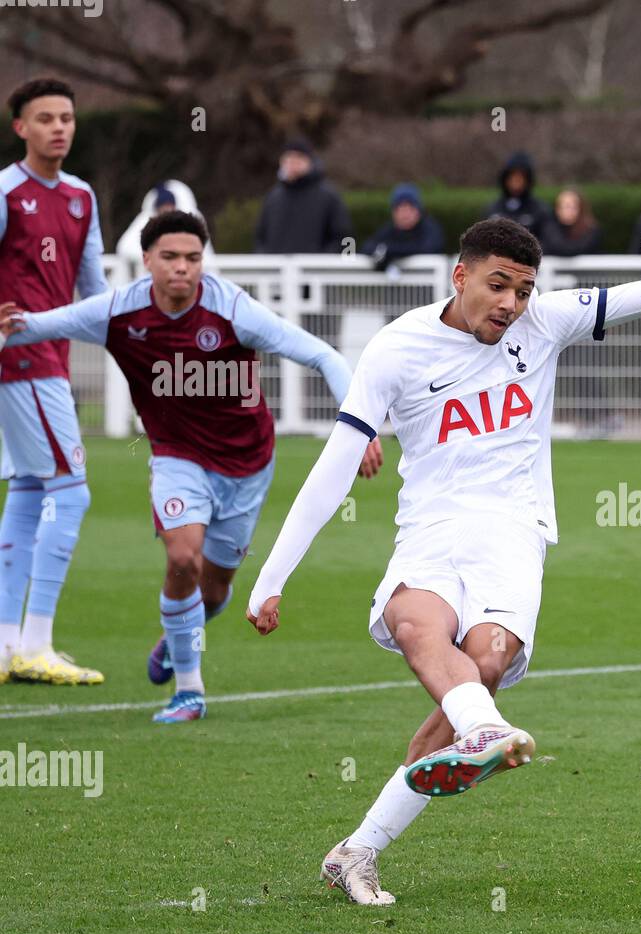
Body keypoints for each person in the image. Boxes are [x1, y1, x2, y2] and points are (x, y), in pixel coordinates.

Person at [245, 218, 641, 905]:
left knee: (484, 664)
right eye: (498, 285)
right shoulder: (396, 349)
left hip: (514, 530)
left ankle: (360, 849)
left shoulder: (545, 324)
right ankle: (483, 729)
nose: (511, 304)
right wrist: (272, 577)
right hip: (431, 530)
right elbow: (334, 466)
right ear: (459, 275)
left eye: (524, 290)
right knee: (417, 624)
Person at [0, 211, 383, 722]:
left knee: (217, 588)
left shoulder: (233, 309)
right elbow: (35, 327)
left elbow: (325, 357)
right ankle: (189, 689)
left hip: (247, 465)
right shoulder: (118, 310)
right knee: (182, 559)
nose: (182, 268)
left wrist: (360, 432)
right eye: (170, 258)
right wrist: (12, 323)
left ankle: (176, 635)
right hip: (177, 457)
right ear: (147, 261)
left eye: (193, 258)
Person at [0, 77, 106, 686]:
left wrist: (137, 338)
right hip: (23, 360)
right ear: (21, 128)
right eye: (45, 118)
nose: (59, 127)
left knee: (31, 491)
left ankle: (11, 641)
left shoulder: (80, 196)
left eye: (66, 117)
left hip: (50, 362)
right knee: (72, 492)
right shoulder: (7, 191)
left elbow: (93, 292)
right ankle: (37, 643)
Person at [254, 138, 352, 254]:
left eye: (298, 158)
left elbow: (345, 238)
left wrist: (322, 263)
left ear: (309, 161)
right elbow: (260, 238)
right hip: (278, 269)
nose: (292, 163)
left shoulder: (329, 196)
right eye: (289, 158)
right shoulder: (273, 197)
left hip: (315, 270)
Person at [116, 181, 215, 268]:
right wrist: (158, 258)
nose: (166, 210)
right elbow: (125, 248)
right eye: (163, 207)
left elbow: (204, 254)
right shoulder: (147, 223)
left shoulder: (188, 224)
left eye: (169, 206)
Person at [363, 183, 445, 271]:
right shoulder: (389, 229)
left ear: (418, 211)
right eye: (401, 209)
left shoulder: (430, 229)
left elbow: (428, 249)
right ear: (393, 213)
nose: (405, 214)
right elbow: (367, 248)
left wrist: (390, 252)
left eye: (410, 208)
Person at [482, 151, 551, 238]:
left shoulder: (539, 210)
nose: (516, 181)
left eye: (521, 177)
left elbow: (547, 241)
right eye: (512, 176)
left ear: (528, 180)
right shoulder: (493, 209)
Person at [540, 188, 602, 256]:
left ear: (581, 208)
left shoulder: (591, 229)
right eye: (563, 206)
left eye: (572, 207)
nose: (568, 211)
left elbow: (566, 249)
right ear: (557, 209)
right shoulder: (549, 227)